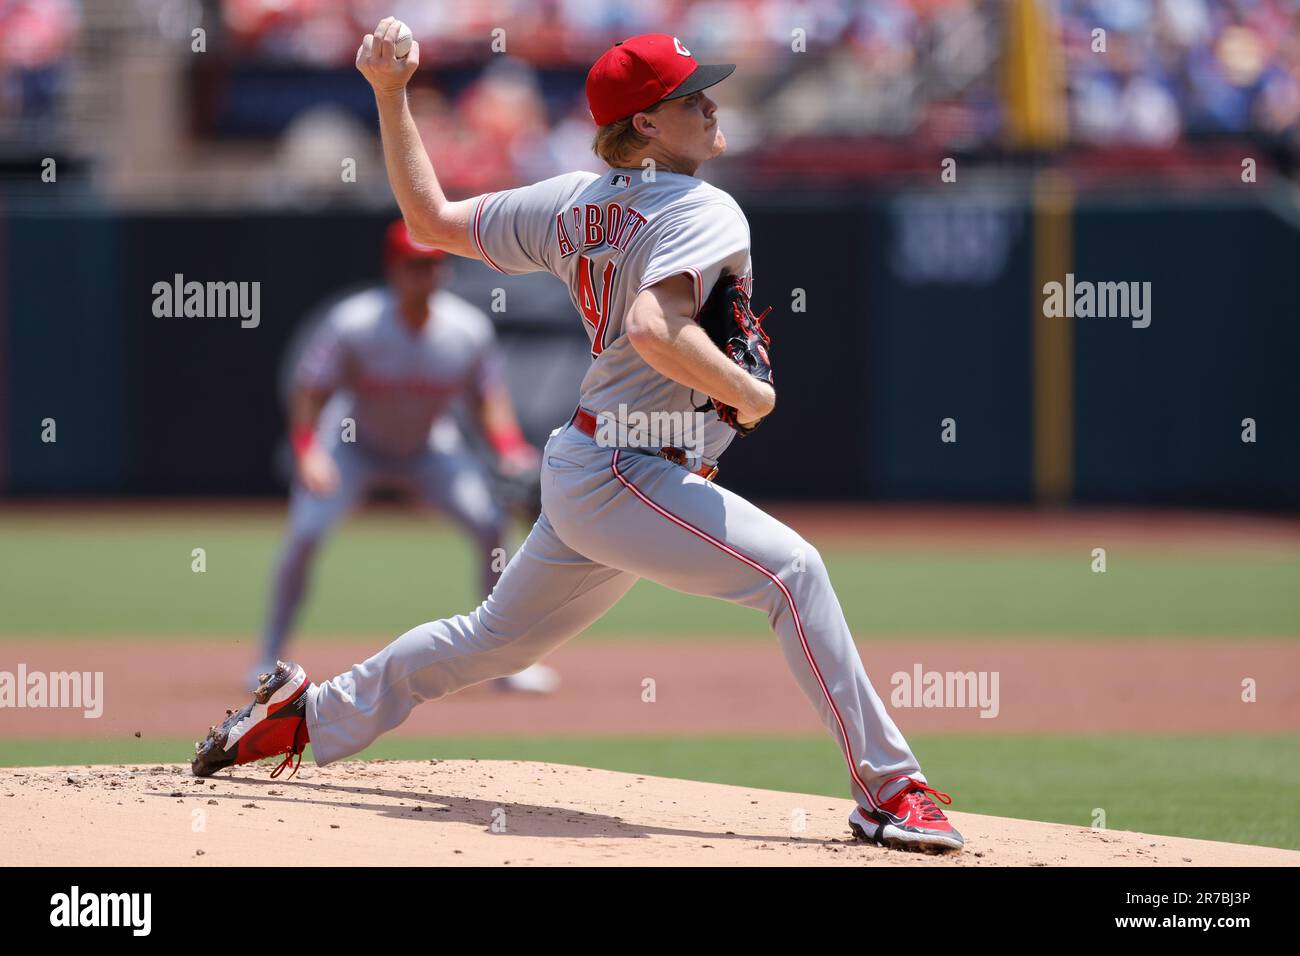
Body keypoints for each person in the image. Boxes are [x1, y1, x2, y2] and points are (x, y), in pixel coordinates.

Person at [192, 22, 964, 853]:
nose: (709, 104)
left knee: (492, 640)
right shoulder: (705, 206)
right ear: (644, 126)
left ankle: (303, 715)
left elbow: (430, 219)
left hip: (594, 464)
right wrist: (749, 393)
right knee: (792, 573)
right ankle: (889, 790)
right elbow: (653, 327)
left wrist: (388, 93)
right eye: (687, 96)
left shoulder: (573, 201)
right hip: (631, 466)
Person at [251, 219, 558, 695]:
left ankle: (507, 663)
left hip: (428, 447)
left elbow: (488, 400)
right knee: (306, 532)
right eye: (415, 266)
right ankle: (268, 656)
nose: (426, 276)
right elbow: (311, 391)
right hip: (353, 445)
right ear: (393, 269)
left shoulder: (465, 329)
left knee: (489, 526)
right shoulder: (355, 322)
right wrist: (308, 451)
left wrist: (507, 449)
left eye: (434, 265)